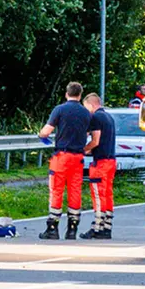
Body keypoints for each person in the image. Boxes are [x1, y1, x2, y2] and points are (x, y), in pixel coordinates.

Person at [37, 82, 94, 240]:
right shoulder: (85, 113)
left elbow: (46, 131)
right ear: (80, 95)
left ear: (66, 93)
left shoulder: (60, 110)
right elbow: (89, 132)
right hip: (78, 157)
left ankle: (52, 228)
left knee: (56, 190)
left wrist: (41, 135)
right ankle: (72, 229)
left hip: (62, 156)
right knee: (75, 191)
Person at [80, 91, 116, 240]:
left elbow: (95, 141)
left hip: (100, 163)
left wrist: (83, 150)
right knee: (107, 194)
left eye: (86, 107)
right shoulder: (109, 117)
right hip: (111, 161)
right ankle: (107, 227)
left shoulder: (96, 117)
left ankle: (97, 226)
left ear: (91, 104)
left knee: (98, 195)